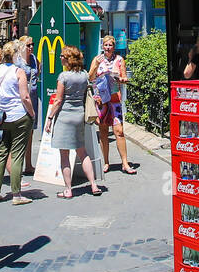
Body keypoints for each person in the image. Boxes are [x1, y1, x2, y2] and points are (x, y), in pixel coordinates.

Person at [47, 48, 100, 198]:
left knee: (64, 155)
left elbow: (58, 100)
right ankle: (94, 185)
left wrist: (50, 118)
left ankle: (68, 189)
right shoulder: (83, 75)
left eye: (62, 56)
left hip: (64, 116)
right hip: (79, 115)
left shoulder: (63, 76)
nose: (60, 58)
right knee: (82, 152)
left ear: (68, 59)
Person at [0, 42, 36, 205]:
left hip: (1, 117)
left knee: (0, 154)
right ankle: (16, 194)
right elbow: (25, 97)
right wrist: (32, 113)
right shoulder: (18, 71)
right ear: (15, 55)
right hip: (18, 116)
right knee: (16, 155)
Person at [89, 35, 138, 175]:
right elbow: (90, 77)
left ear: (114, 46)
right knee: (103, 131)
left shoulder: (119, 60)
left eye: (110, 45)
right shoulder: (97, 59)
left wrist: (120, 78)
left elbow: (124, 77)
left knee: (119, 131)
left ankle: (125, 163)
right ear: (102, 46)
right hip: (102, 101)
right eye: (106, 45)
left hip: (115, 100)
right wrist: (96, 67)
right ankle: (105, 162)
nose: (108, 48)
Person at [15, 37, 39, 178]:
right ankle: (17, 166)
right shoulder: (17, 61)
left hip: (33, 98)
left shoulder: (34, 59)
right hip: (21, 99)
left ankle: (28, 164)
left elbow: (38, 72)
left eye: (32, 44)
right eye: (28, 45)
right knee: (20, 132)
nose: (31, 47)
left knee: (30, 132)